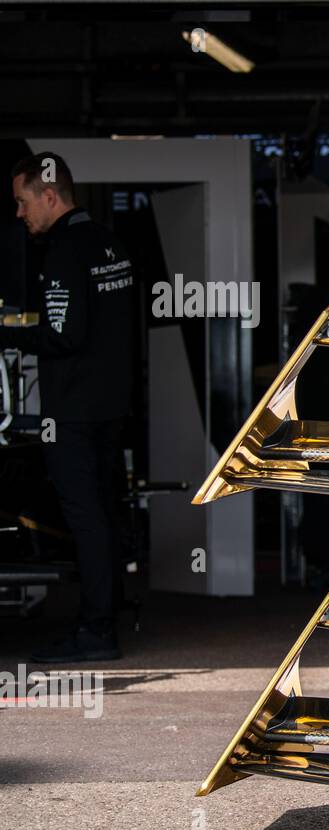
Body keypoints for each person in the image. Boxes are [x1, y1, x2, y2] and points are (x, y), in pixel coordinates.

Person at [4, 152, 134, 662]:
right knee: (105, 509)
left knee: (85, 517)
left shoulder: (62, 250)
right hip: (110, 405)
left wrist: (10, 334)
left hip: (74, 411)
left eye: (22, 201)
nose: (19, 213)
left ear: (49, 195)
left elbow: (63, 335)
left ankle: (97, 630)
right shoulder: (109, 242)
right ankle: (109, 613)